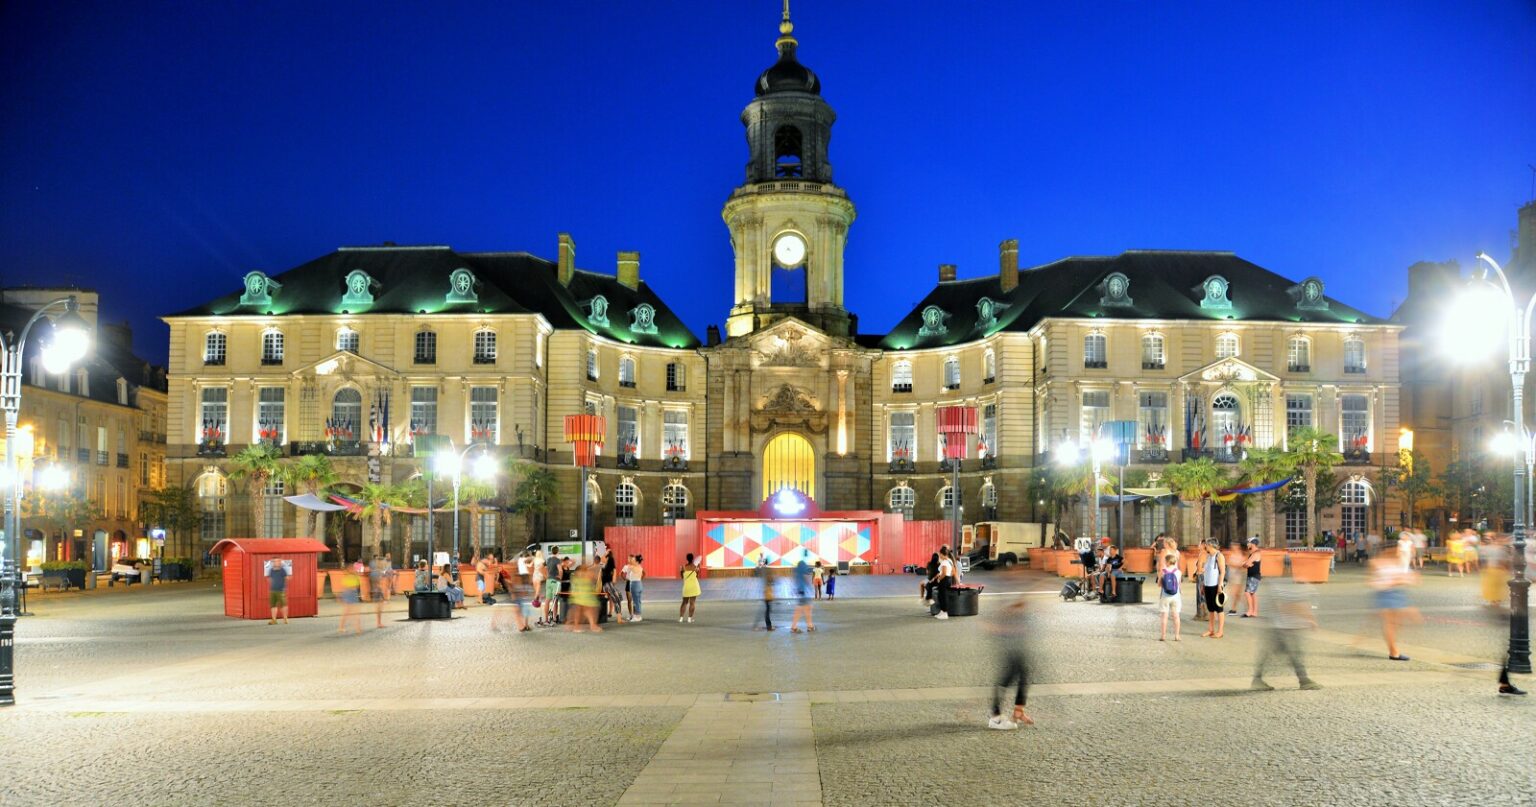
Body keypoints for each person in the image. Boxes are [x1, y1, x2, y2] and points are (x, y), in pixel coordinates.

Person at [1251, 579, 1322, 691]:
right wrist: (1308, 617)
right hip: (1282, 625)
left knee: (1278, 652)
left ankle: (1257, 679)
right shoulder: (1282, 583)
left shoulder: (1291, 582)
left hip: (1285, 624)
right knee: (1294, 652)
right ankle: (1304, 680)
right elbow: (1284, 604)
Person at [986, 591, 1035, 730]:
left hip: (1016, 641)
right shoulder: (1006, 586)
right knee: (1005, 679)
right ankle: (995, 717)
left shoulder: (1015, 584)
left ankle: (1018, 711)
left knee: (1024, 674)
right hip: (1008, 641)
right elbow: (1001, 612)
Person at [1369, 555, 1420, 661]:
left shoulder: (1399, 563)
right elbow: (1373, 581)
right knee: (1391, 624)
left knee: (1396, 624)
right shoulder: (1378, 562)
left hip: (1397, 594)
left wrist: (1402, 580)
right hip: (1387, 594)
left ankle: (1393, 651)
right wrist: (1393, 582)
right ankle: (1393, 652)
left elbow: (1412, 578)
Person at [1199, 540, 1227, 639]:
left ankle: (1220, 631)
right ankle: (1211, 630)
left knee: (1219, 609)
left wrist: (1220, 585)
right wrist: (1203, 585)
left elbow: (1222, 572)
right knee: (1211, 609)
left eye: (1206, 544)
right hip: (1208, 585)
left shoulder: (1219, 556)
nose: (1205, 546)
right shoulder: (1208, 556)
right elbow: (1205, 571)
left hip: (1216, 586)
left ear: (1210, 545)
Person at [566, 562, 602, 633]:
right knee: (582, 612)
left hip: (585, 598)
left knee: (587, 612)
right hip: (580, 597)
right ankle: (575, 625)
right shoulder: (579, 576)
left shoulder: (580, 576)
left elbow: (593, 578)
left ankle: (591, 625)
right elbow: (593, 577)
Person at [1156, 552, 1181, 641]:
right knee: (1176, 616)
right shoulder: (1178, 572)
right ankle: (1177, 636)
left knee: (1164, 616)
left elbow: (1159, 585)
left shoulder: (1163, 571)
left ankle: (1163, 636)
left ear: (1167, 562)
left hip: (1165, 596)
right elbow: (1179, 584)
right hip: (1176, 596)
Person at [791, 552, 816, 632]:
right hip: (804, 591)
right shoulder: (803, 567)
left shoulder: (796, 571)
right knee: (802, 609)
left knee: (806, 608)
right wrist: (810, 587)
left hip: (801, 591)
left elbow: (795, 580)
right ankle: (795, 627)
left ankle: (809, 625)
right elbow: (806, 578)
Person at [338, 562, 364, 635]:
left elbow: (357, 586)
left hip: (352, 595)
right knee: (351, 613)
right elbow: (346, 587)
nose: (354, 569)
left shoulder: (353, 576)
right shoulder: (348, 577)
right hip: (349, 595)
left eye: (353, 568)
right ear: (349, 570)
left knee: (350, 613)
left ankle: (355, 628)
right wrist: (341, 597)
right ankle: (357, 629)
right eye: (352, 568)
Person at [601, 552, 627, 624]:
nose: (603, 558)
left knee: (618, 597)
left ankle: (619, 618)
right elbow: (602, 558)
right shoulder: (605, 567)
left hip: (608, 585)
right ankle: (619, 619)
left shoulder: (608, 567)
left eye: (605, 557)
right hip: (607, 585)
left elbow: (614, 580)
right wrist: (606, 553)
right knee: (617, 599)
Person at [1240, 538, 1263, 618]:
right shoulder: (1253, 553)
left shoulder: (1256, 554)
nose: (1247, 544)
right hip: (1252, 575)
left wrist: (1245, 563)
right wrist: (1245, 564)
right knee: (1252, 593)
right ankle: (1254, 612)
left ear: (1252, 544)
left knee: (1247, 592)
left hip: (1254, 576)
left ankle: (1250, 611)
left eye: (1248, 543)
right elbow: (1246, 564)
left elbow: (1247, 563)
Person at [369, 554, 392, 629]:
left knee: (380, 607)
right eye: (381, 562)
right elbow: (376, 582)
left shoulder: (379, 571)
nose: (383, 564)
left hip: (378, 591)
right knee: (379, 607)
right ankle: (379, 623)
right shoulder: (377, 572)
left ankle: (379, 623)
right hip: (377, 591)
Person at [933, 547, 956, 620]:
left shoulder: (944, 562)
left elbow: (944, 573)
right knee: (941, 596)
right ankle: (942, 612)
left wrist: (939, 579)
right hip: (948, 580)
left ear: (942, 554)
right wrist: (948, 576)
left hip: (944, 580)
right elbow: (953, 572)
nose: (939, 555)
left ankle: (945, 613)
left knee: (942, 597)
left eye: (940, 554)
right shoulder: (950, 561)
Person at [754, 554, 776, 631]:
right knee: (767, 610)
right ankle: (768, 627)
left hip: (763, 591)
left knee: (767, 609)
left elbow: (756, 573)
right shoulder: (768, 570)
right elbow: (771, 579)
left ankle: (763, 626)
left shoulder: (762, 569)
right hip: (767, 591)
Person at [266, 558, 289, 625]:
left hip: (281, 591)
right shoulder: (271, 570)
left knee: (283, 605)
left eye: (278, 561)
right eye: (274, 561)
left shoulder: (282, 570)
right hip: (272, 590)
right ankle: (274, 620)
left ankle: (285, 619)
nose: (276, 562)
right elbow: (270, 579)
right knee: (273, 605)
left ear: (280, 562)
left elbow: (286, 578)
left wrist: (282, 586)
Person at [679, 553, 701, 623]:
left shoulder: (683, 567)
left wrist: (681, 571)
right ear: (693, 558)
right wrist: (698, 569)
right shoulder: (695, 567)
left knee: (684, 603)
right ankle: (689, 619)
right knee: (692, 603)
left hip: (686, 587)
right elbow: (697, 576)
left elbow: (682, 577)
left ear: (687, 558)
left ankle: (681, 618)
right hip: (694, 586)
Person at [544, 549, 563, 623]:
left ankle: (546, 619)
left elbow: (545, 568)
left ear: (552, 552)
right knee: (555, 600)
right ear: (558, 551)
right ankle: (554, 618)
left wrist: (547, 576)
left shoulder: (548, 559)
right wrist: (560, 577)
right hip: (555, 581)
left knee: (547, 600)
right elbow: (560, 570)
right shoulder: (557, 560)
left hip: (548, 581)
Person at [624, 554, 645, 622]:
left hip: (635, 585)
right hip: (639, 584)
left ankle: (637, 616)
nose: (632, 560)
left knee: (636, 602)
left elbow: (628, 566)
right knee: (638, 601)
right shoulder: (639, 567)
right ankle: (637, 615)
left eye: (633, 559)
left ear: (636, 561)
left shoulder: (632, 567)